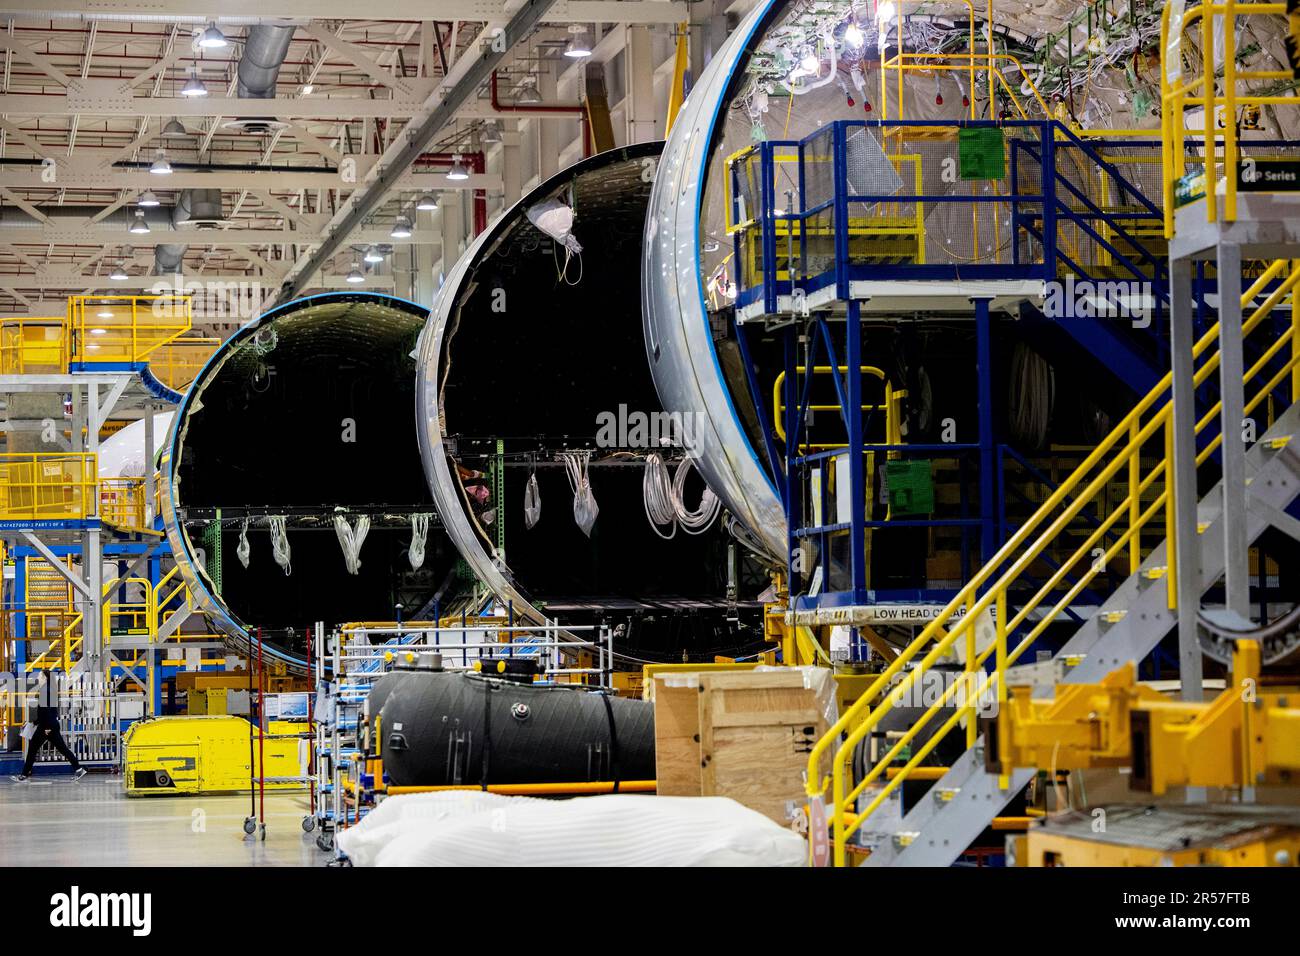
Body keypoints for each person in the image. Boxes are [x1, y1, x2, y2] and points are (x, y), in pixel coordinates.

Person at [10, 670, 86, 782]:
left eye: (40, 676)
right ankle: (78, 769)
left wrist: (47, 728)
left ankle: (24, 774)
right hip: (50, 725)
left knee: (32, 748)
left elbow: (48, 711)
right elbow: (47, 711)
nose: (38, 678)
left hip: (47, 727)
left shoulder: (46, 690)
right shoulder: (49, 689)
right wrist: (34, 723)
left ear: (45, 678)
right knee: (63, 749)